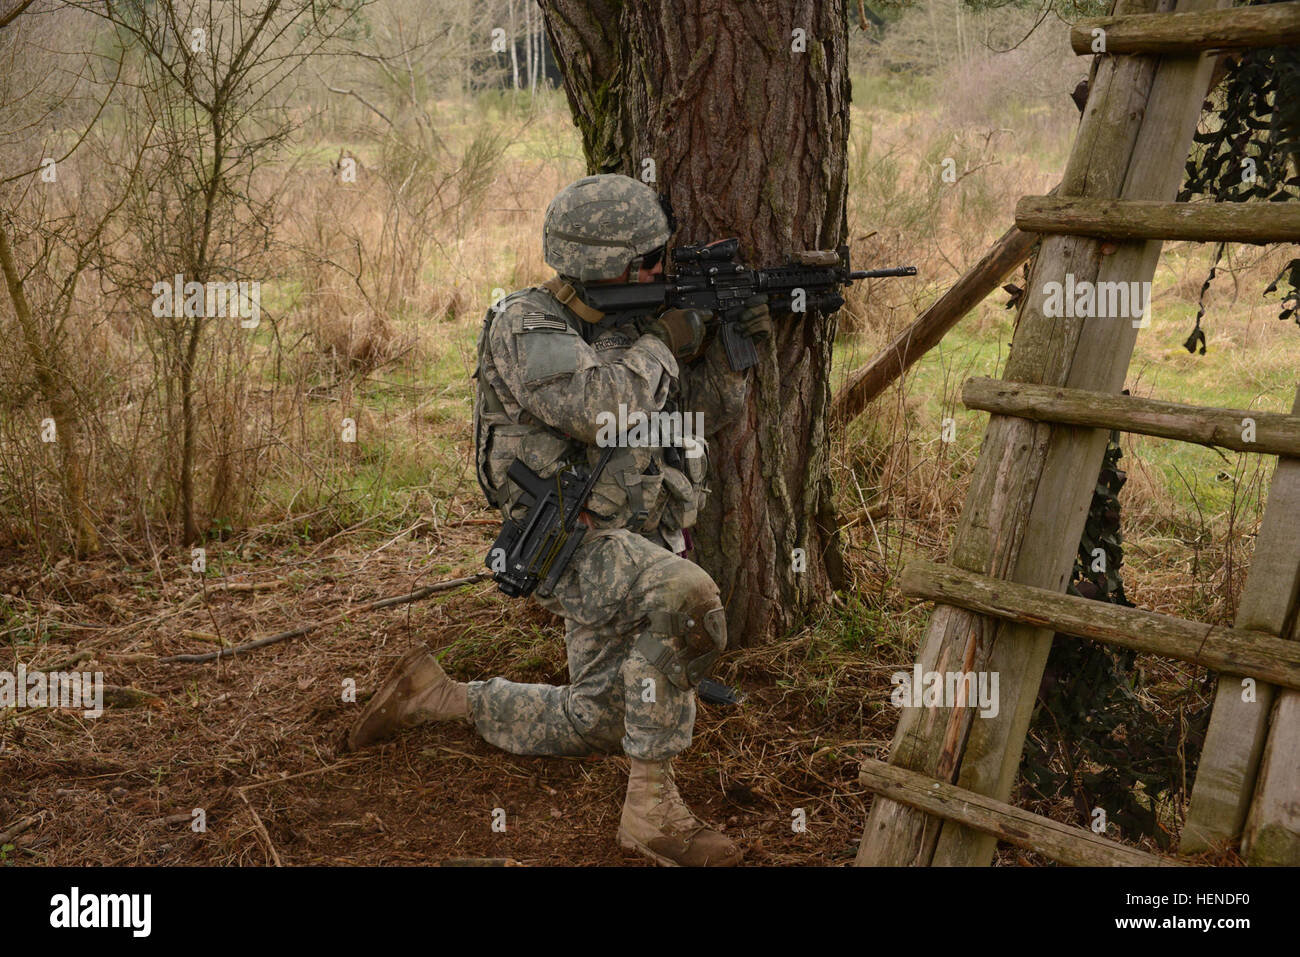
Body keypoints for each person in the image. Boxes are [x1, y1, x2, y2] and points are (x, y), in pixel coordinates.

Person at [345, 173, 771, 867]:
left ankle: (439, 698)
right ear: (610, 264)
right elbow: (600, 409)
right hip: (568, 546)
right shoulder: (526, 325)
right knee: (688, 598)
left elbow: (699, 418)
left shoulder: (630, 324)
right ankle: (651, 815)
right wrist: (666, 340)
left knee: (602, 719)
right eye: (651, 258)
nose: (663, 268)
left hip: (633, 541)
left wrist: (726, 355)